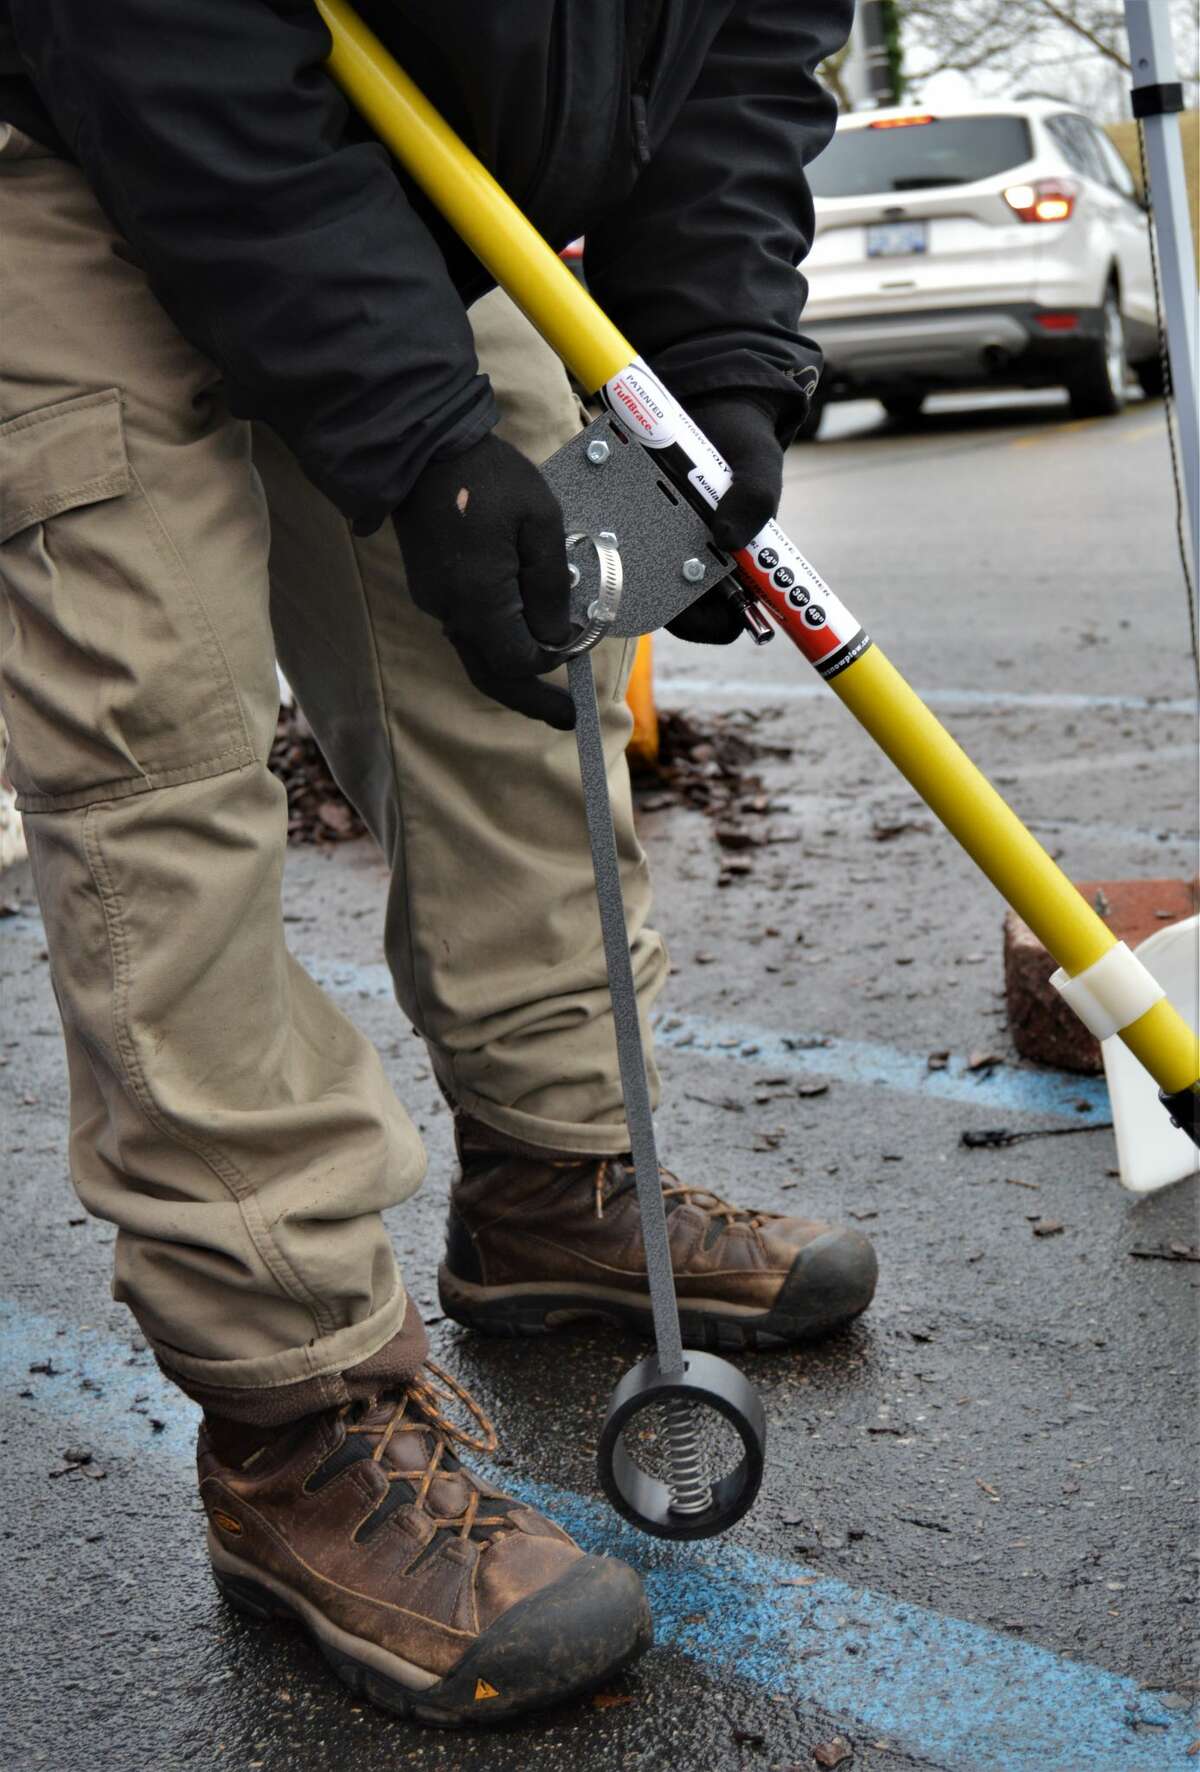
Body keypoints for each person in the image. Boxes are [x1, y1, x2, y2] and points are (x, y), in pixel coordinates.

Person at [0, 0, 870, 1726]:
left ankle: (557, 1182)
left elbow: (746, 44)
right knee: (160, 753)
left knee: (531, 658)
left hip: (416, 172)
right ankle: (293, 1414)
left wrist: (717, 358)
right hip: (75, 120)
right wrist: (409, 434)